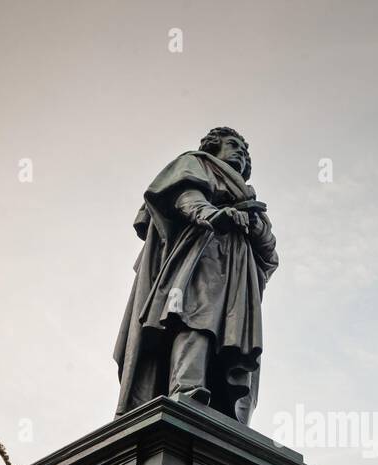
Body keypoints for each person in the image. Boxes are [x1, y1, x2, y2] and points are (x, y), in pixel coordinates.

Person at [114, 127, 278, 424]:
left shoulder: (249, 197)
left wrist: (254, 225)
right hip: (201, 253)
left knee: (231, 332)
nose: (241, 151)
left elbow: (269, 250)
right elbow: (185, 197)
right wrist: (215, 215)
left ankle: (225, 405)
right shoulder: (196, 163)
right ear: (214, 146)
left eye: (245, 150)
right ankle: (186, 386)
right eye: (233, 144)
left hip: (239, 272)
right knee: (196, 316)